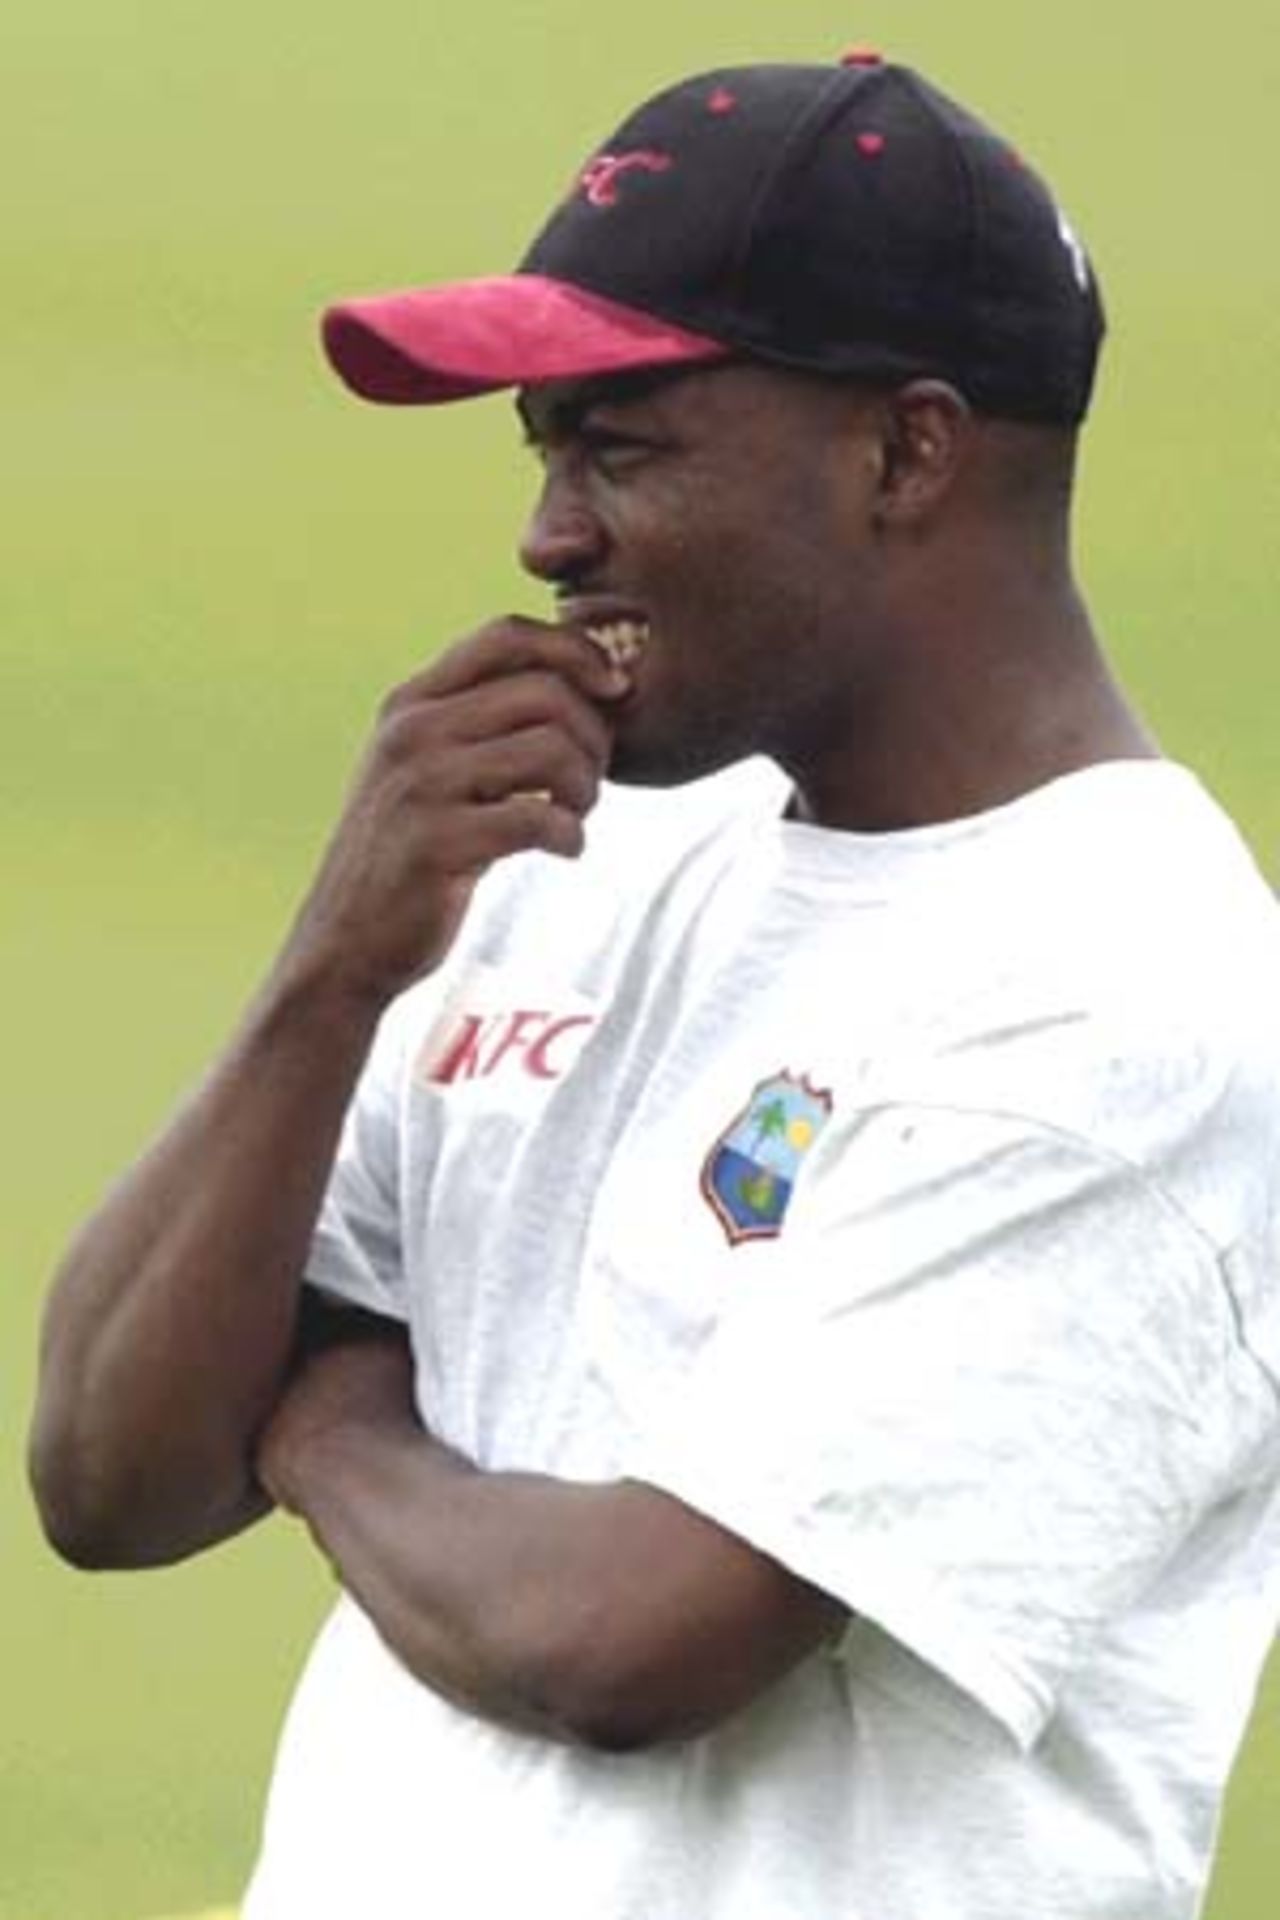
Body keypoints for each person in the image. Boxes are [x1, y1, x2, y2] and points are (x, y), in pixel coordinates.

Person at [29, 49, 1280, 1920]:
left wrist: (327, 1421)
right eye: (541, 448)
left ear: (906, 453)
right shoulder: (570, 857)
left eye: (621, 446)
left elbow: (630, 1644)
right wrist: (331, 972)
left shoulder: (1124, 995)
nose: (546, 535)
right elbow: (110, 1477)